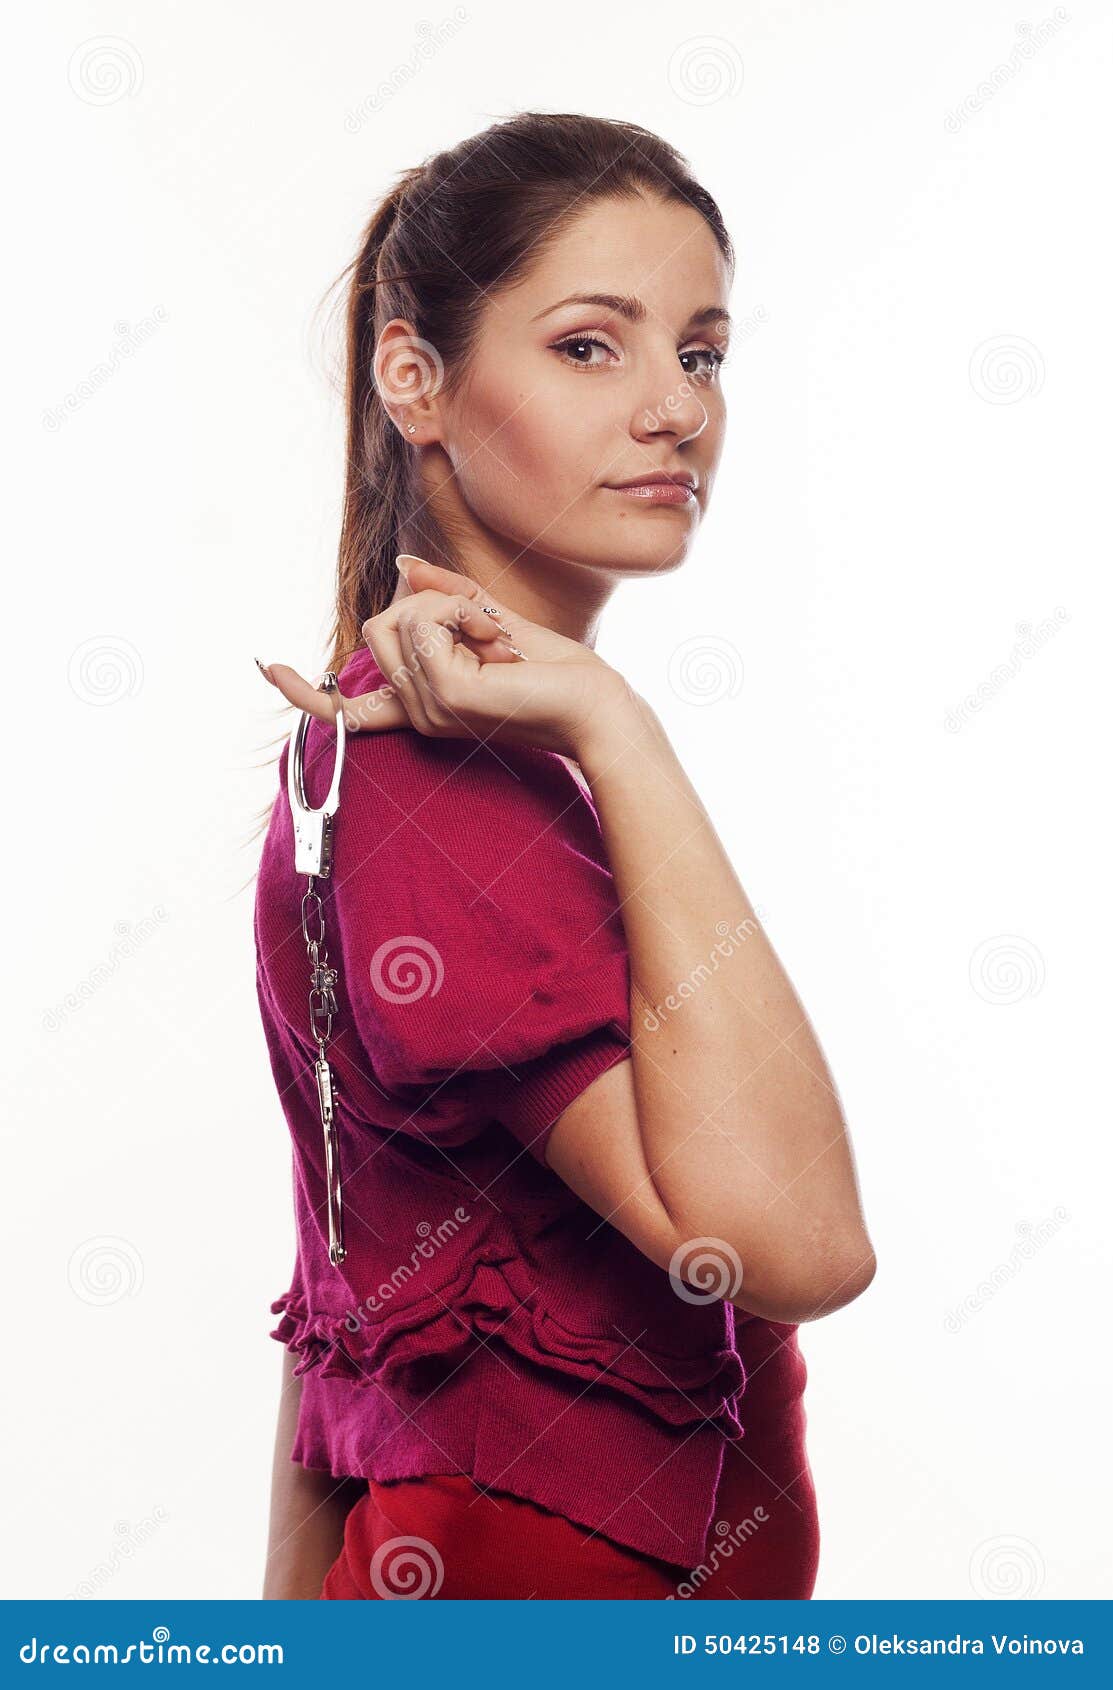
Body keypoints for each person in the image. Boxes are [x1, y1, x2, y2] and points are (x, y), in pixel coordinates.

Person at [253, 111, 875, 1601]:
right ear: (414, 377)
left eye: (701, 352)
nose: (674, 409)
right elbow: (796, 1246)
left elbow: (356, 1303)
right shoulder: (451, 789)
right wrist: (617, 723)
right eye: (591, 346)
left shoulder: (395, 757)